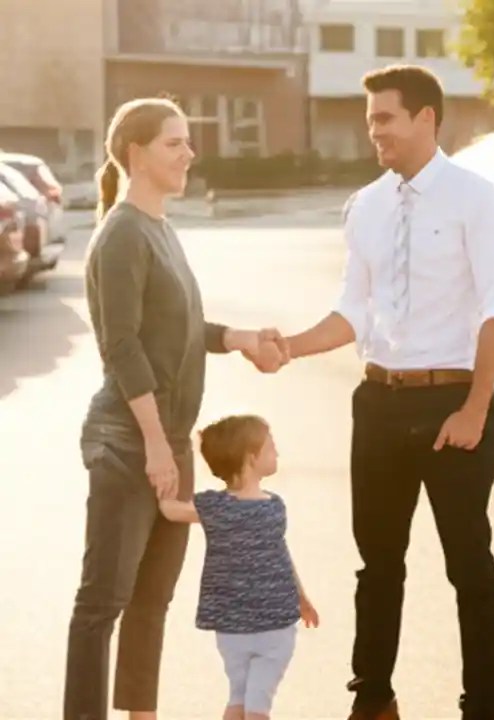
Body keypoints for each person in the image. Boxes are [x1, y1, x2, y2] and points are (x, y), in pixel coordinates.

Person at [262, 65, 494, 720]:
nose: (373, 131)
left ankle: (481, 708)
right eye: (370, 118)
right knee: (377, 566)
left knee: (470, 568)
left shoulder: (475, 198)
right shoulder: (367, 206)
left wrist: (476, 408)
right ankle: (372, 699)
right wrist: (290, 346)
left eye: (385, 118)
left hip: (452, 405)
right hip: (378, 404)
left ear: (426, 118)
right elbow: (353, 312)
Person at [65, 97, 286, 720]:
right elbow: (122, 344)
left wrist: (238, 339)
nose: (189, 152)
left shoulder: (158, 228)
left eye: (187, 141)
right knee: (102, 601)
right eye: (174, 143)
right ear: (136, 154)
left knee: (151, 601)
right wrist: (157, 446)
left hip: (169, 440)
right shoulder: (121, 234)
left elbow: (181, 328)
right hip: (129, 442)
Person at [157, 414, 320, 720]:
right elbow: (281, 554)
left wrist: (163, 479)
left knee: (239, 696)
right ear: (251, 457)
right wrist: (301, 597)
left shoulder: (214, 507)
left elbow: (170, 510)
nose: (278, 454)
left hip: (230, 626)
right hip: (275, 624)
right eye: (271, 448)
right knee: (258, 704)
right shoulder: (273, 506)